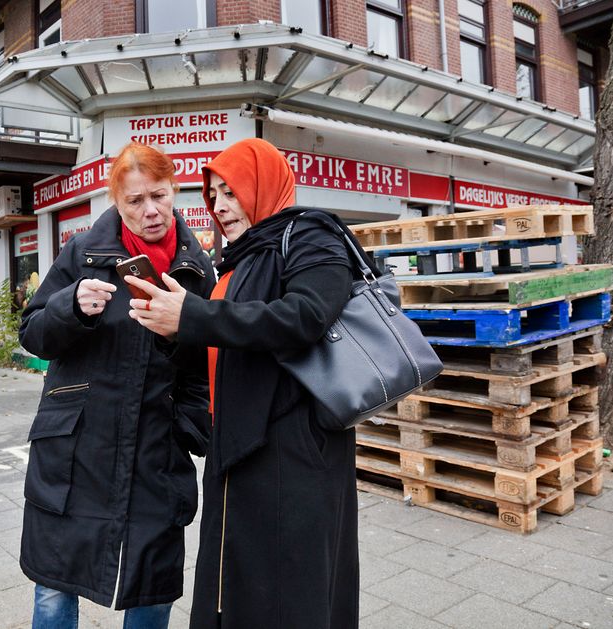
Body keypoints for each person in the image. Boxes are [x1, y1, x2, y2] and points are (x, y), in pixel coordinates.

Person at [126, 138, 359, 628]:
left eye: (231, 192)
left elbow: (305, 315)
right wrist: (171, 327)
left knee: (288, 593)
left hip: (292, 450)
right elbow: (227, 341)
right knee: (238, 589)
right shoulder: (240, 258)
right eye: (214, 195)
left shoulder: (313, 235)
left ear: (263, 184)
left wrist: (195, 314)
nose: (222, 206)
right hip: (239, 447)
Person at [19, 142, 215, 628]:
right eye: (135, 201)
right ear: (115, 201)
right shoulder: (82, 253)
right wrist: (70, 306)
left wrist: (188, 426)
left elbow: (205, 365)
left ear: (175, 190)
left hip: (155, 448)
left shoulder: (196, 267)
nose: (151, 211)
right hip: (77, 447)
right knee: (55, 584)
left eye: (159, 196)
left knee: (153, 585)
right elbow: (33, 334)